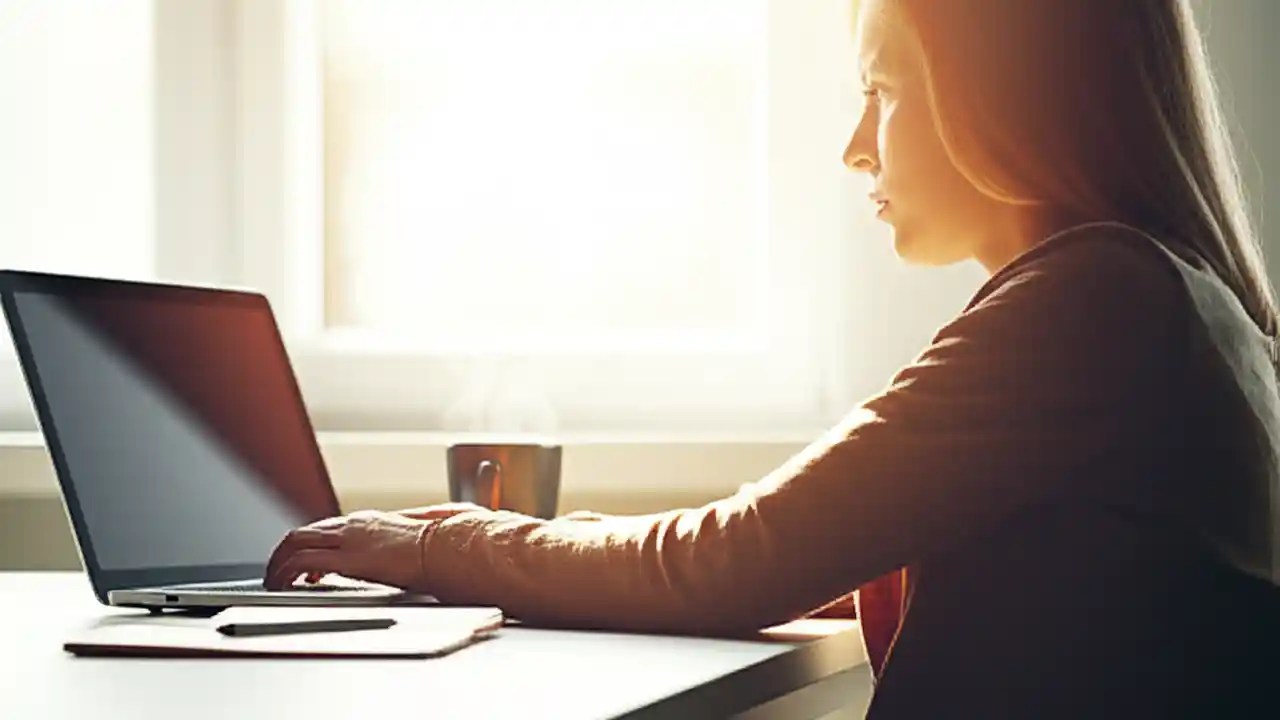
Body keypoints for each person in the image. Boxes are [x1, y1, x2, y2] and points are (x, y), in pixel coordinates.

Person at [266, 0, 1280, 715]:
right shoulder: (1181, 308)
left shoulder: (1095, 301)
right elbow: (782, 550)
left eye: (878, 87)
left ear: (1005, 88)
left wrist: (444, 545)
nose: (852, 144)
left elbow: (729, 561)